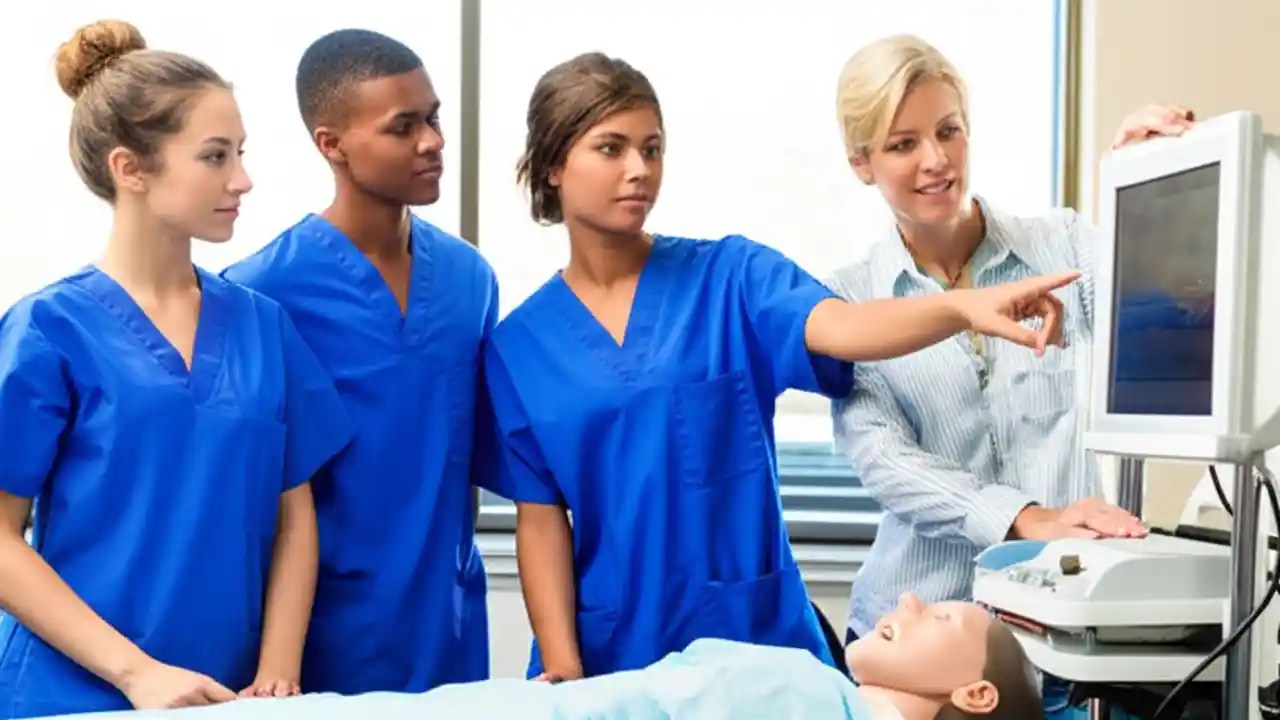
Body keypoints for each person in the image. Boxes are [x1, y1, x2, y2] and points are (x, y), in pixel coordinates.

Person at [482, 51, 1083, 684]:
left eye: (652, 148)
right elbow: (541, 519)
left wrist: (960, 307)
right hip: (610, 648)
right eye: (611, 149)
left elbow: (844, 329)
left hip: (755, 639)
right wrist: (564, 670)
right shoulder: (520, 346)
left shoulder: (732, 278)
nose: (639, 170)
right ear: (552, 165)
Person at [824, 34, 1192, 717]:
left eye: (948, 131)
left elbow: (1173, 312)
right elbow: (883, 459)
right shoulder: (849, 303)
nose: (935, 160)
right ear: (861, 162)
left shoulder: (1063, 246)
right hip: (923, 660)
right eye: (902, 144)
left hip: (1068, 648)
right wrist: (1027, 518)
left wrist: (1140, 186)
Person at [0, 20, 352, 719]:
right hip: (70, 694)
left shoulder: (261, 325)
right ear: (130, 169)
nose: (242, 179)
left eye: (241, 153)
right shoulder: (49, 331)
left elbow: (295, 518)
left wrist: (277, 675)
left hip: (227, 695)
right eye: (215, 157)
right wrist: (137, 674)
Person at [220, 29, 496, 695]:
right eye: (403, 127)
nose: (432, 141)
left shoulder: (469, 278)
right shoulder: (258, 294)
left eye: (432, 117)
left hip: (450, 630)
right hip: (318, 645)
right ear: (332, 144)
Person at [58, 597, 1041, 720]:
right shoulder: (816, 688)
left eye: (947, 613)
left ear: (974, 689)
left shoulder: (813, 697)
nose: (908, 600)